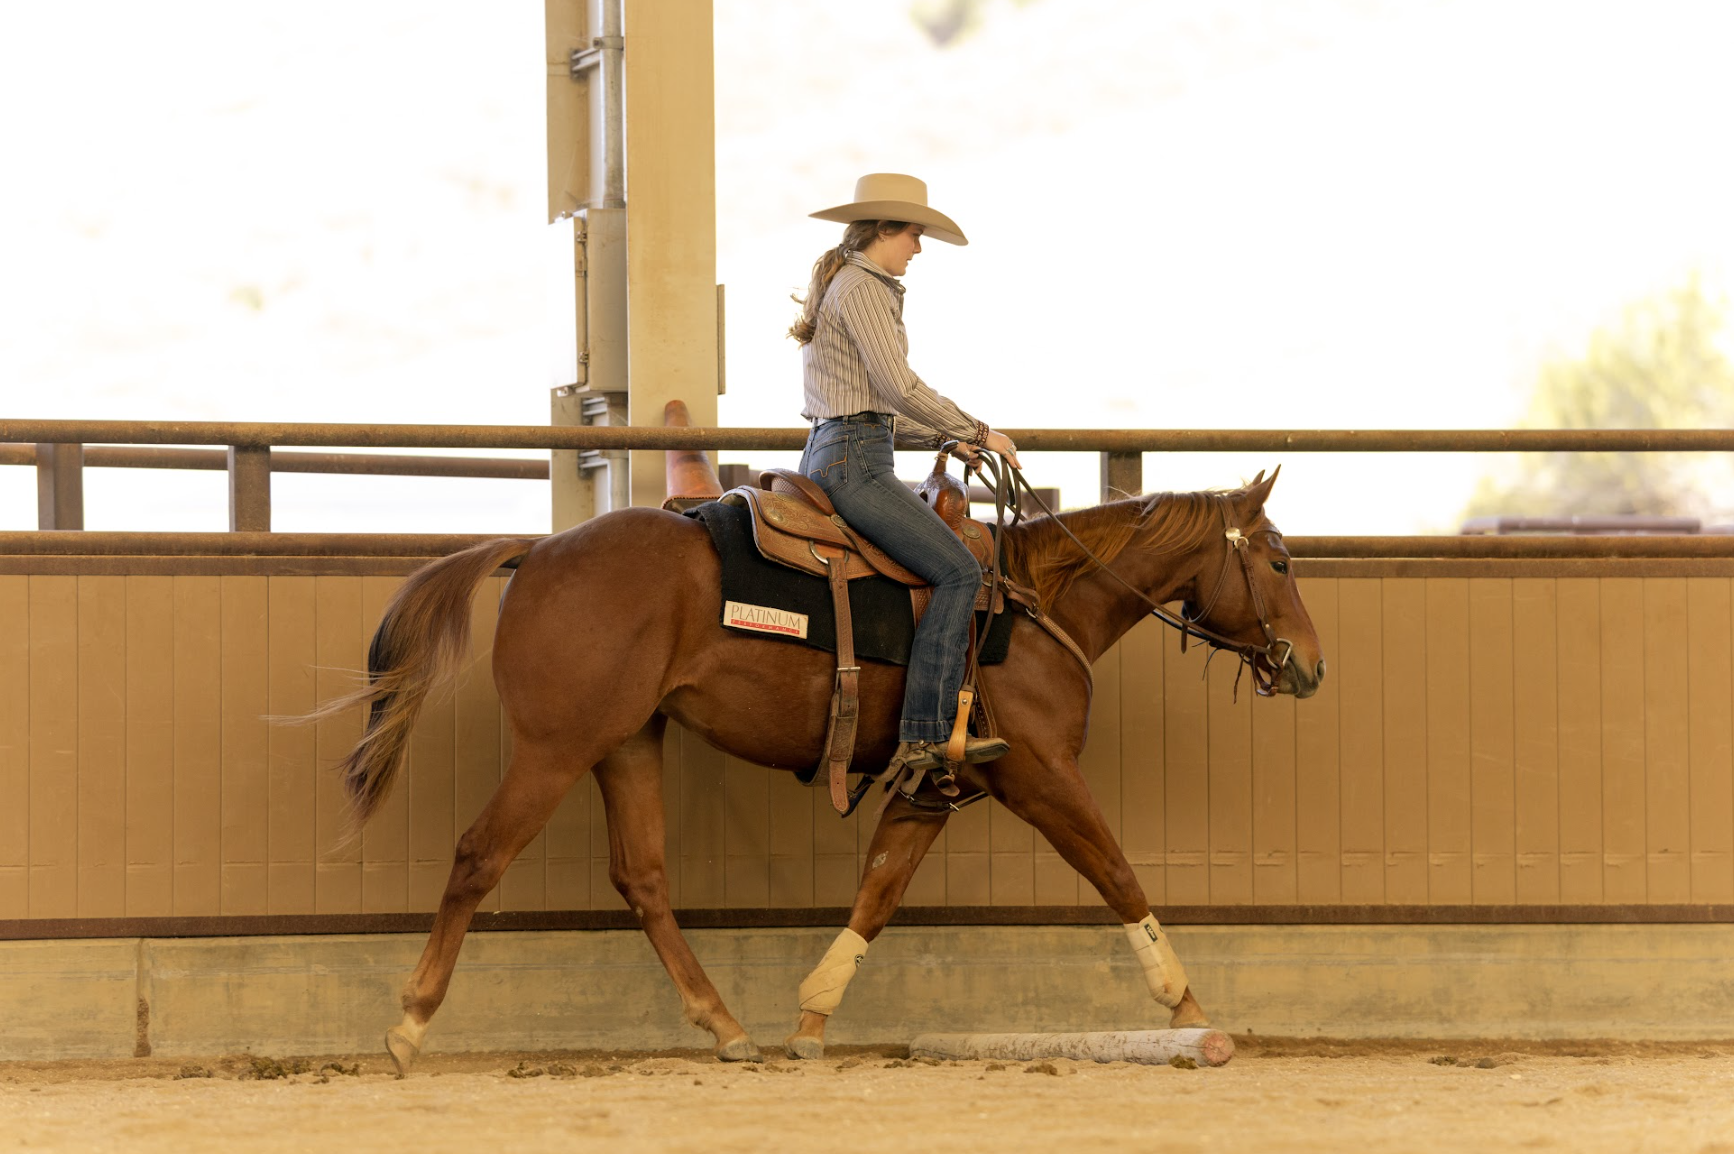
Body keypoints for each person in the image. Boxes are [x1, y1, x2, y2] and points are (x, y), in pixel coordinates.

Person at [788, 172, 1021, 779]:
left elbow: (871, 409)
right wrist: (975, 430)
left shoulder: (845, 285)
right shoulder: (864, 289)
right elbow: (897, 387)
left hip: (837, 450)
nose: (918, 248)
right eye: (914, 235)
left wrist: (947, 437)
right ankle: (925, 730)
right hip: (855, 464)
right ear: (883, 231)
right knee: (958, 571)